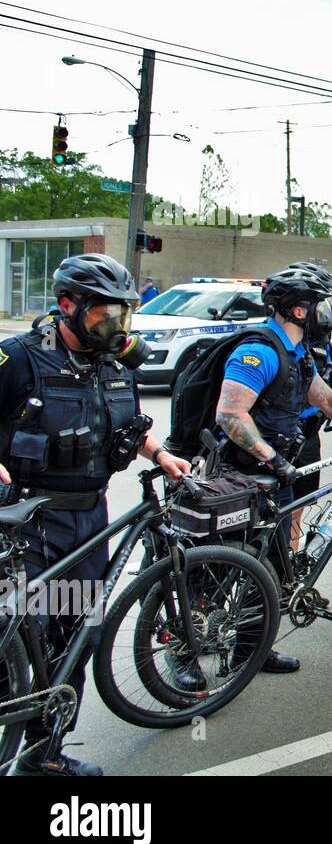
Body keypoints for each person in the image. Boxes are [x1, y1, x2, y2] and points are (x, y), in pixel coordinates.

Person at [0, 254, 191, 776]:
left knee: (72, 637)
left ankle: (43, 757)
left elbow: (122, 425)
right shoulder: (17, 357)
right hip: (29, 522)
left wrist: (159, 454)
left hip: (90, 521)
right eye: (106, 313)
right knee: (21, 642)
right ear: (68, 305)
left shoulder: (112, 363)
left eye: (123, 314)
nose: (117, 325)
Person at [214, 267, 332, 673]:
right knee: (226, 563)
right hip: (245, 475)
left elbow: (324, 398)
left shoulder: (297, 354)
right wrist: (270, 458)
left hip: (277, 475)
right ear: (297, 310)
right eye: (320, 305)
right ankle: (187, 648)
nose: (326, 313)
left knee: (273, 561)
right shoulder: (259, 351)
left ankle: (251, 650)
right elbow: (230, 414)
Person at [286, 262, 332, 549]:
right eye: (321, 301)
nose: (328, 309)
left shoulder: (323, 343)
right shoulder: (288, 340)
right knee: (280, 511)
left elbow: (330, 383)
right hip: (284, 435)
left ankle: (287, 577)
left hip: (310, 436)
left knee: (298, 510)